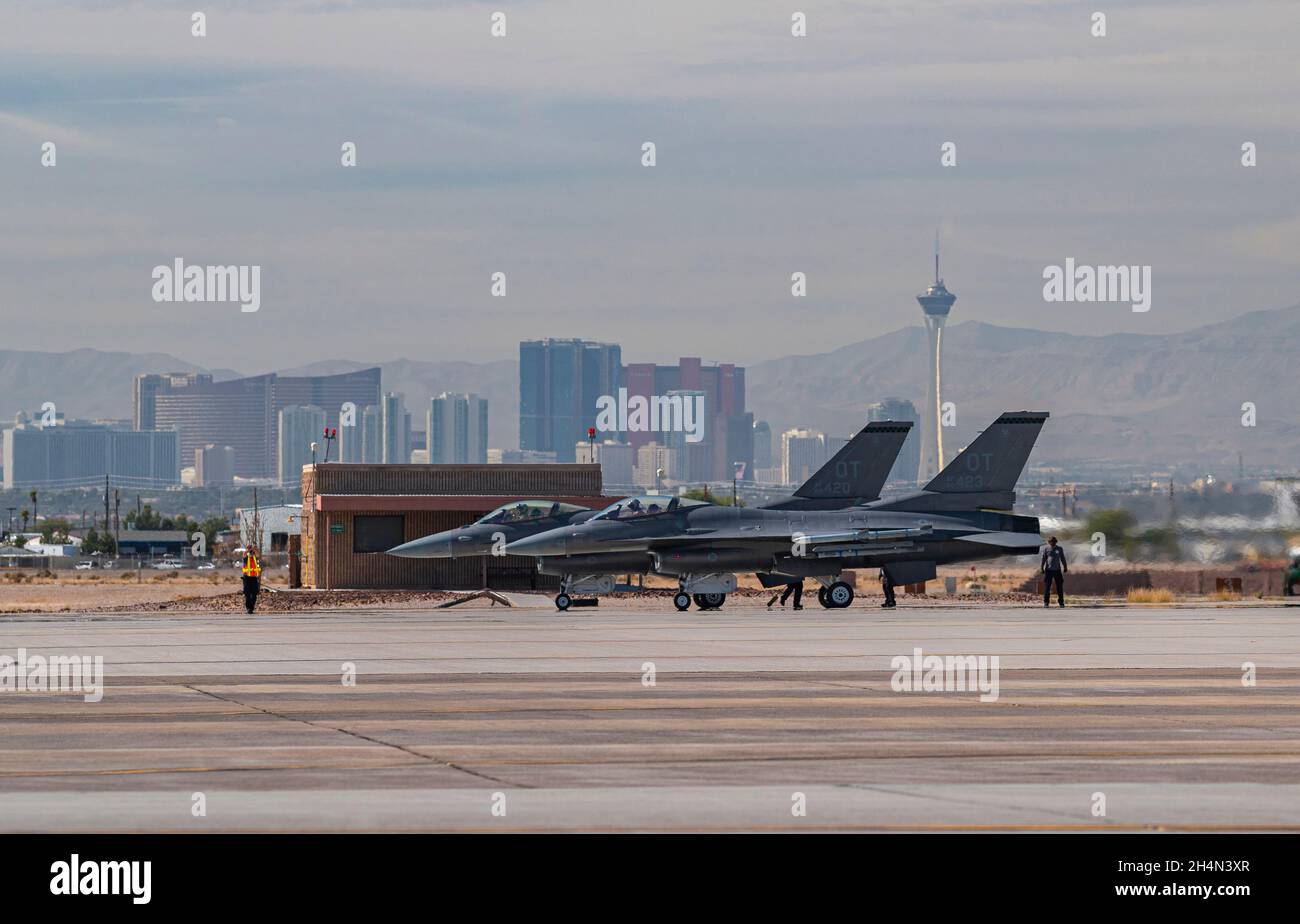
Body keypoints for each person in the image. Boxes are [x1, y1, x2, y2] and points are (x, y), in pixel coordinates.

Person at [1041, 536, 1067, 607]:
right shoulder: (1046, 549)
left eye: (1054, 542)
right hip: (1048, 571)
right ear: (1049, 542)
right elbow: (1043, 559)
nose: (1052, 543)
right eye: (1051, 542)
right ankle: (1046, 602)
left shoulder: (1059, 549)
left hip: (1057, 570)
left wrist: (1065, 567)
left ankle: (1061, 602)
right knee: (1047, 587)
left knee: (1059, 587)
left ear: (1056, 542)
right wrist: (1041, 568)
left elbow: (1062, 558)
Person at [241, 547, 262, 614]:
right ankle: (248, 608)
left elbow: (258, 554)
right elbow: (244, 554)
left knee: (254, 593)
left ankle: (251, 608)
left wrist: (254, 549)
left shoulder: (255, 558)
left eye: (252, 553)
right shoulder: (246, 558)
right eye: (250, 553)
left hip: (254, 578)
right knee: (247, 594)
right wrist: (248, 550)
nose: (251, 553)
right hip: (246, 578)